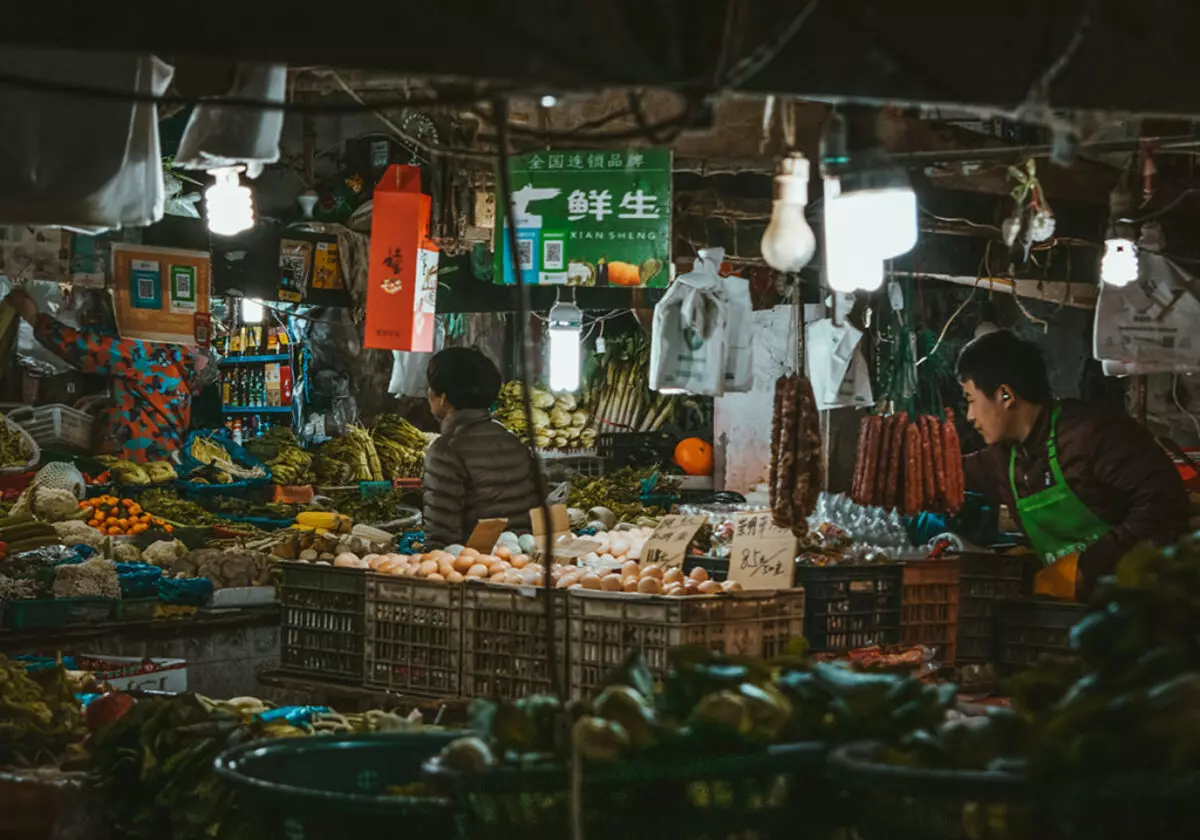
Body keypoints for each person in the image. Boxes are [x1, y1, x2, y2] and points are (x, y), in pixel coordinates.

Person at [957, 329, 1188, 598]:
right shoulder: (1002, 460)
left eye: (971, 400)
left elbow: (1164, 502)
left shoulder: (1091, 435)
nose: (970, 416)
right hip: (1077, 619)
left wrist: (1090, 566)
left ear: (1005, 395)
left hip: (1148, 608)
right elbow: (952, 474)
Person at [4, 287, 212, 463]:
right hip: (167, 455)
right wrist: (102, 399)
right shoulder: (173, 353)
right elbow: (148, 393)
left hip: (136, 455)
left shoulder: (142, 349)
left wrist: (33, 317)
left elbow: (82, 348)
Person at [421, 347, 541, 550]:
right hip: (521, 556)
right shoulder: (513, 441)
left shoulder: (446, 450)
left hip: (474, 565)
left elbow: (442, 535)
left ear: (443, 398)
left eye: (432, 388)